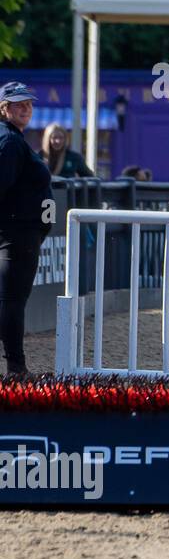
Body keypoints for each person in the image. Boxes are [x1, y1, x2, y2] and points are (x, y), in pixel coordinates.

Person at [0, 82, 53, 375]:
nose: (26, 108)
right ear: (4, 107)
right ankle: (16, 368)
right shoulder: (9, 142)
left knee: (11, 300)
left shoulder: (13, 139)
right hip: (15, 233)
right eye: (19, 103)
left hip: (20, 233)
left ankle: (16, 367)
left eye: (29, 103)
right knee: (12, 300)